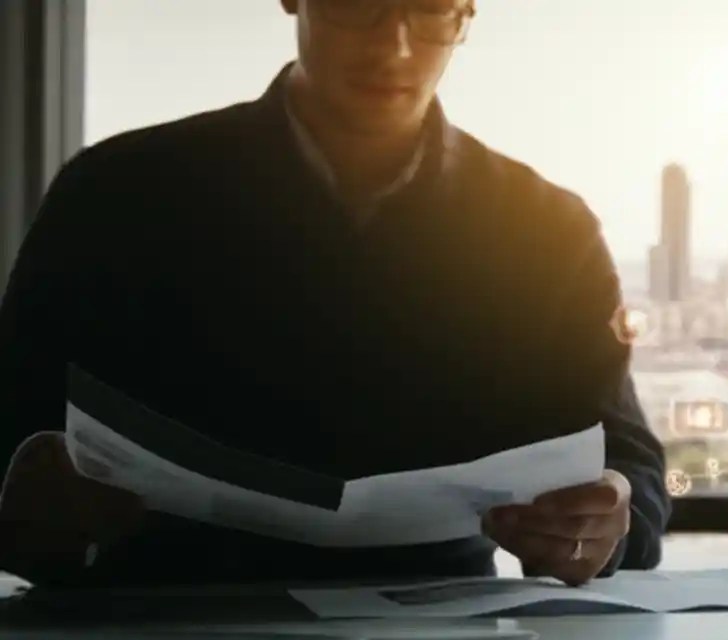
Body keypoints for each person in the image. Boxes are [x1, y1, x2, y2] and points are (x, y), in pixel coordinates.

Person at [0, 0, 670, 588]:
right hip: (147, 635)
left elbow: (626, 461)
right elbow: (13, 421)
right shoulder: (115, 196)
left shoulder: (548, 231)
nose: (396, 45)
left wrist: (606, 519)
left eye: (433, 8)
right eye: (358, 3)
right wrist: (22, 494)